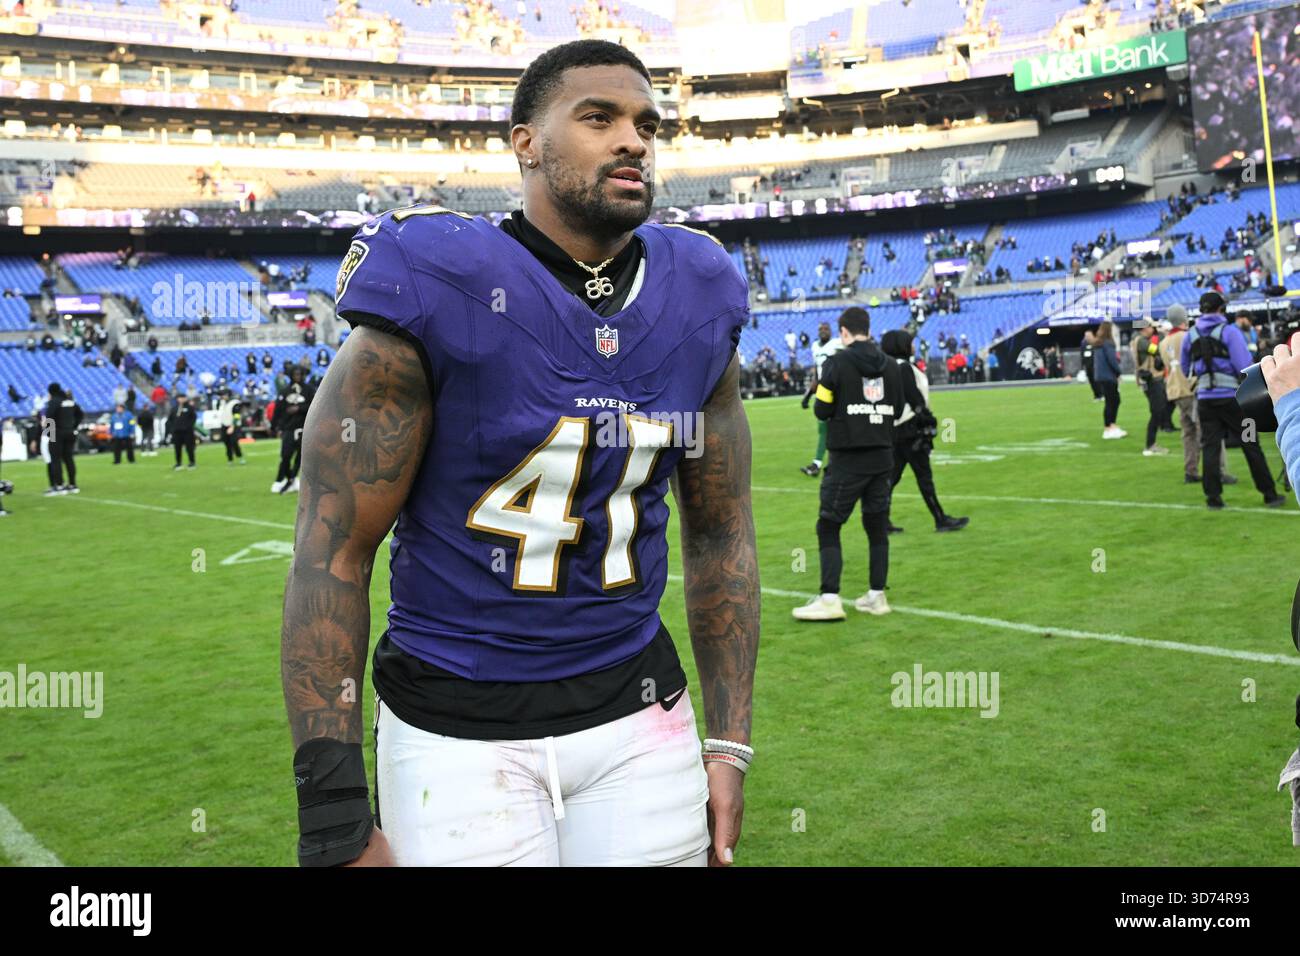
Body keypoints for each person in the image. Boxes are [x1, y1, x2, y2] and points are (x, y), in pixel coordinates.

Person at [282, 40, 759, 869]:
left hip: (640, 717)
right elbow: (333, 550)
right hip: (456, 732)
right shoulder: (440, 275)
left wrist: (730, 744)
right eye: (598, 117)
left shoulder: (700, 286)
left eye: (648, 124)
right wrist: (331, 807)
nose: (634, 141)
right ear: (525, 142)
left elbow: (720, 533)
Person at [793, 307, 923, 622]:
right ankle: (877, 596)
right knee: (877, 527)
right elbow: (899, 406)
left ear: (844, 332)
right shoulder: (892, 366)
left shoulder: (836, 362)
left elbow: (822, 409)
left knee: (829, 524)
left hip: (848, 457)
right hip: (882, 455)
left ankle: (829, 598)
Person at [1180, 290, 1284, 510]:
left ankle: (1213, 498)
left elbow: (1183, 367)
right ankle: (1269, 494)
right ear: (1221, 309)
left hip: (1206, 400)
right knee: (1250, 444)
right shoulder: (1229, 332)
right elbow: (1243, 364)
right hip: (1234, 402)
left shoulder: (1190, 335)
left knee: (1210, 447)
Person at [879, 330, 968, 535]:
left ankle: (882, 521)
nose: (913, 346)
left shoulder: (889, 367)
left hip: (896, 430)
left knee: (892, 478)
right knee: (923, 477)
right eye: (909, 343)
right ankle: (940, 519)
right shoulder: (903, 368)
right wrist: (928, 419)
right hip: (910, 429)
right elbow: (915, 399)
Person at [799, 322, 842, 477]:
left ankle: (829, 464)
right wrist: (808, 396)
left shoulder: (838, 343)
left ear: (831, 331)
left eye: (826, 329)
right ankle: (818, 464)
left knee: (836, 427)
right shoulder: (815, 347)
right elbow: (817, 374)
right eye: (820, 329)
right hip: (823, 390)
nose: (823, 331)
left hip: (838, 390)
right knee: (824, 429)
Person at [270, 365, 313, 493]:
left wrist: (299, 408)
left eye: (299, 374)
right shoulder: (284, 391)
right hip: (288, 428)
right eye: (295, 374)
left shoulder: (309, 390)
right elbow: (278, 409)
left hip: (305, 428)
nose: (297, 377)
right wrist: (274, 426)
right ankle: (284, 479)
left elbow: (315, 406)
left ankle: (293, 479)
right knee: (286, 456)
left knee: (301, 457)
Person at [1131, 319, 1169, 457]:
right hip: (1152, 380)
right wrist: (1161, 335)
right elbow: (1155, 349)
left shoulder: (1140, 339)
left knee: (1158, 410)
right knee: (1157, 411)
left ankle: (1151, 444)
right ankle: (1150, 445)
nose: (1153, 329)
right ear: (1144, 328)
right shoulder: (1140, 341)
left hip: (1153, 378)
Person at [42, 382, 82, 495]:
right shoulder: (69, 401)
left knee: (55, 459)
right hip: (70, 432)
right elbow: (80, 415)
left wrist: (48, 434)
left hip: (56, 433)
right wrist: (74, 426)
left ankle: (59, 485)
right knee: (69, 458)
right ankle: (73, 484)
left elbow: (49, 418)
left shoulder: (54, 402)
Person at [1093, 321, 1125, 439]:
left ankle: (1111, 426)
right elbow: (1112, 360)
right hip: (1109, 376)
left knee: (1110, 401)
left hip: (1101, 376)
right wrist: (1118, 373)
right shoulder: (1108, 344)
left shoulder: (1098, 343)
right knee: (1113, 401)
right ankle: (1109, 427)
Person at [170, 392, 198, 470]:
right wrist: (172, 429)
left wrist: (188, 426)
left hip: (187, 432)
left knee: (189, 447)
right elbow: (170, 419)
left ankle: (192, 462)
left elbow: (193, 418)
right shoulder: (174, 408)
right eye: (179, 398)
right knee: (177, 448)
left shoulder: (189, 408)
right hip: (177, 432)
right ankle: (178, 463)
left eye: (183, 397)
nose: (181, 399)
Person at [217, 391, 246, 464]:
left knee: (234, 442)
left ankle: (240, 456)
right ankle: (230, 459)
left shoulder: (235, 403)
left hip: (233, 425)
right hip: (224, 425)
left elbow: (237, 415)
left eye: (223, 395)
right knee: (226, 443)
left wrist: (232, 426)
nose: (222, 397)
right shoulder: (222, 403)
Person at [1081, 330, 1102, 400]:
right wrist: (1082, 366)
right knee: (1091, 381)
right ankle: (1096, 395)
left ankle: (1101, 395)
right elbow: (1082, 355)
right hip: (1088, 366)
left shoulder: (1095, 343)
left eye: (1088, 336)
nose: (1086, 337)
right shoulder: (1083, 343)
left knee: (1097, 381)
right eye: (1085, 336)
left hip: (1095, 365)